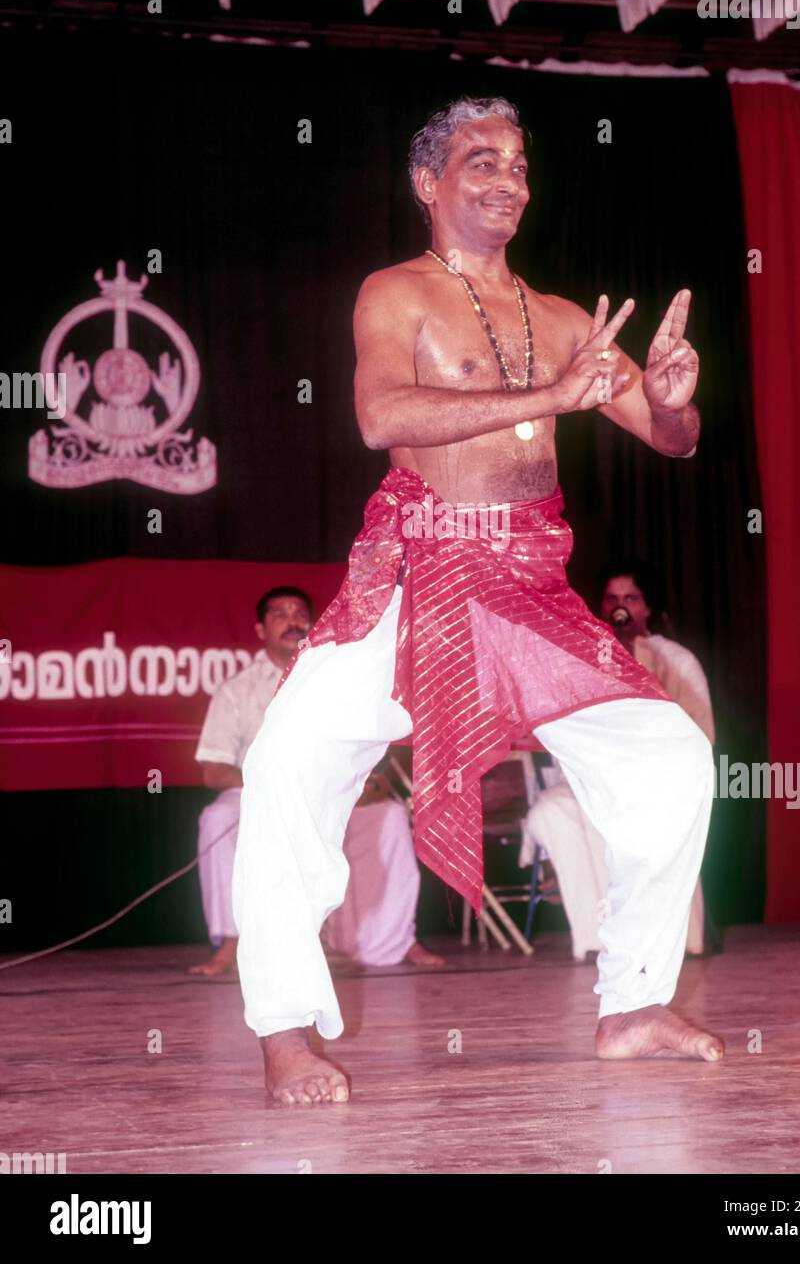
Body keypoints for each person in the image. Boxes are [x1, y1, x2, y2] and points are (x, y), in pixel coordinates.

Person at [234, 95, 723, 1109]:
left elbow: (671, 440)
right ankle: (285, 1032)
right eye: (480, 161)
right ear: (428, 182)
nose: (508, 179)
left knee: (669, 756)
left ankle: (633, 1003)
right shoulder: (395, 294)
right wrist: (552, 397)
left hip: (529, 583)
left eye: (520, 164)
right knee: (287, 762)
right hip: (414, 572)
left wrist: (672, 399)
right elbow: (380, 415)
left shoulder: (565, 320)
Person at [193, 585, 438, 976]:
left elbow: (365, 749)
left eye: (300, 613)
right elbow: (213, 770)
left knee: (389, 817)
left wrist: (363, 783)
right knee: (217, 819)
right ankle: (233, 940)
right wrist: (274, 784)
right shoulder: (236, 690)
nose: (293, 620)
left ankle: (391, 940)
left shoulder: (335, 679)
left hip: (329, 797)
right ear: (260, 629)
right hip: (259, 799)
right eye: (280, 614)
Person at [523, 559, 716, 958]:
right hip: (591, 778)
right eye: (612, 598)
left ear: (646, 607)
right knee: (550, 810)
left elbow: (702, 736)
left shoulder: (676, 660)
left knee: (608, 809)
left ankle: (643, 940)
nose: (620, 606)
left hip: (657, 784)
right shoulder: (581, 657)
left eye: (631, 597)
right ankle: (596, 941)